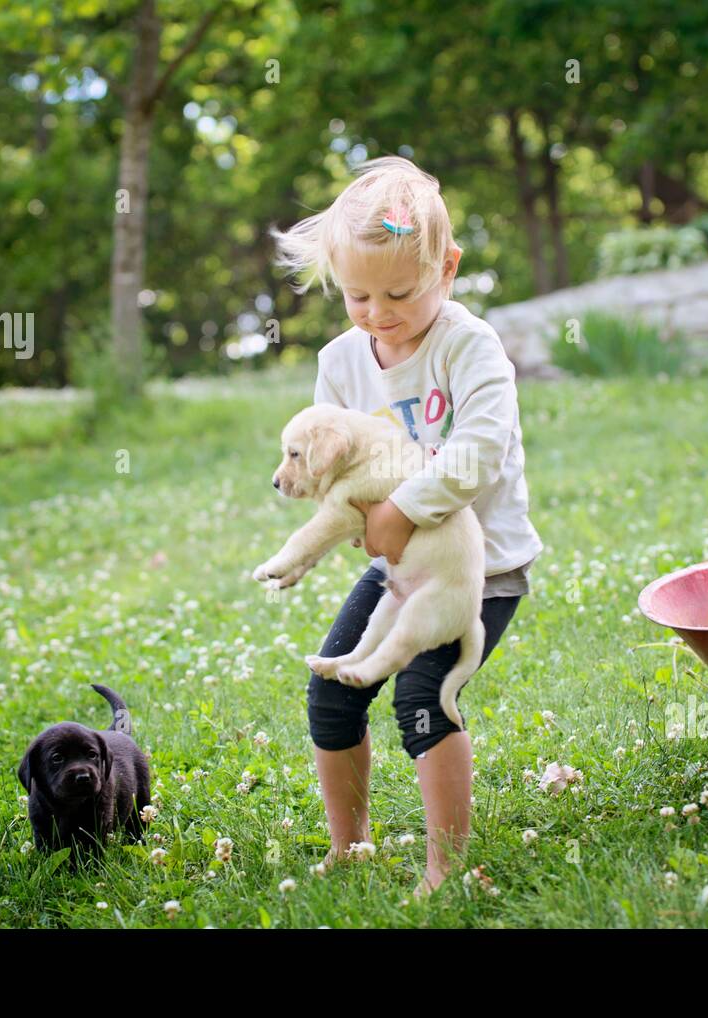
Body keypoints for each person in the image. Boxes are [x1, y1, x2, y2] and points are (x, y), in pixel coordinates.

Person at [269, 155, 542, 895]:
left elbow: (479, 452)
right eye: (357, 294)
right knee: (333, 692)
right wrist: (338, 524)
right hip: (392, 564)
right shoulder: (340, 363)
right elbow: (331, 468)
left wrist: (398, 512)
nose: (378, 312)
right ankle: (349, 845)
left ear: (446, 268)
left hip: (476, 570)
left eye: (399, 292)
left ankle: (444, 870)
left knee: (424, 695)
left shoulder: (468, 347)